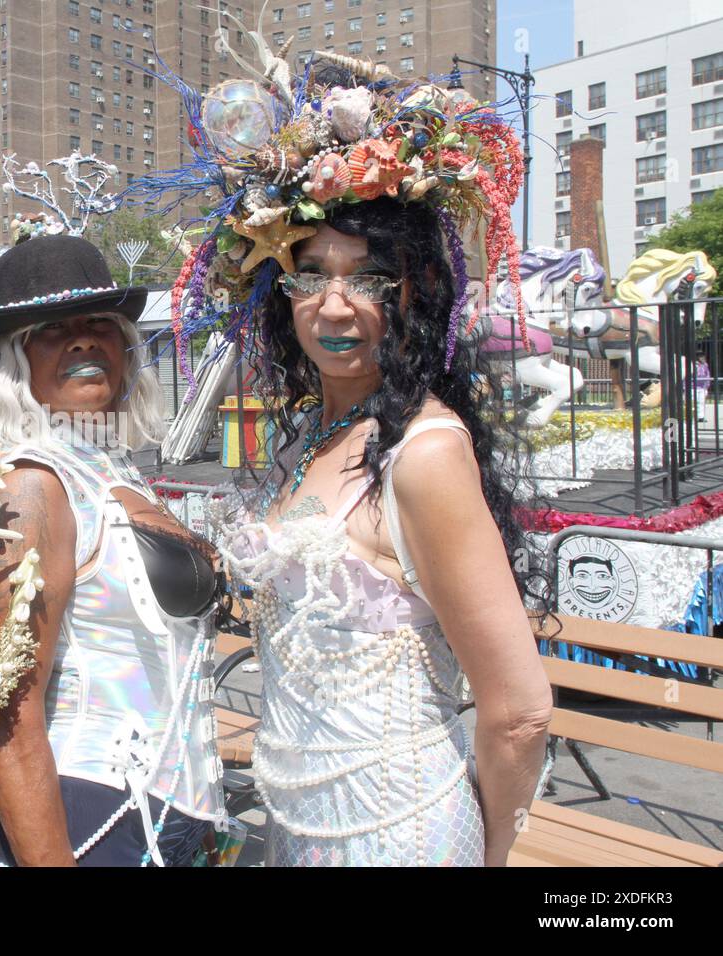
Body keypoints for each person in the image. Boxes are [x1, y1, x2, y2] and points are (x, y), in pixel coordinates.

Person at [135, 48, 553, 866]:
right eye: (309, 275)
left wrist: (493, 846)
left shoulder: (423, 453)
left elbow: (519, 712)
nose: (333, 304)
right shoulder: (310, 437)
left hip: (398, 837)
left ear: (414, 291)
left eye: (367, 277)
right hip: (290, 826)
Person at [0, 233, 227, 867]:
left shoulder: (113, 469)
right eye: (52, 329)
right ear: (12, 363)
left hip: (165, 815)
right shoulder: (30, 482)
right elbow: (7, 714)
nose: (82, 340)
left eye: (98, 324)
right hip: (78, 815)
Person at [695, 352, 711, 422]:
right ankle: (693, 416)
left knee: (701, 402)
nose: (703, 358)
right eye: (701, 357)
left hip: (702, 387)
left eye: (703, 357)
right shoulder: (693, 365)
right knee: (693, 402)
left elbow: (707, 375)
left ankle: (701, 417)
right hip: (693, 387)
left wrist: (707, 385)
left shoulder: (705, 365)